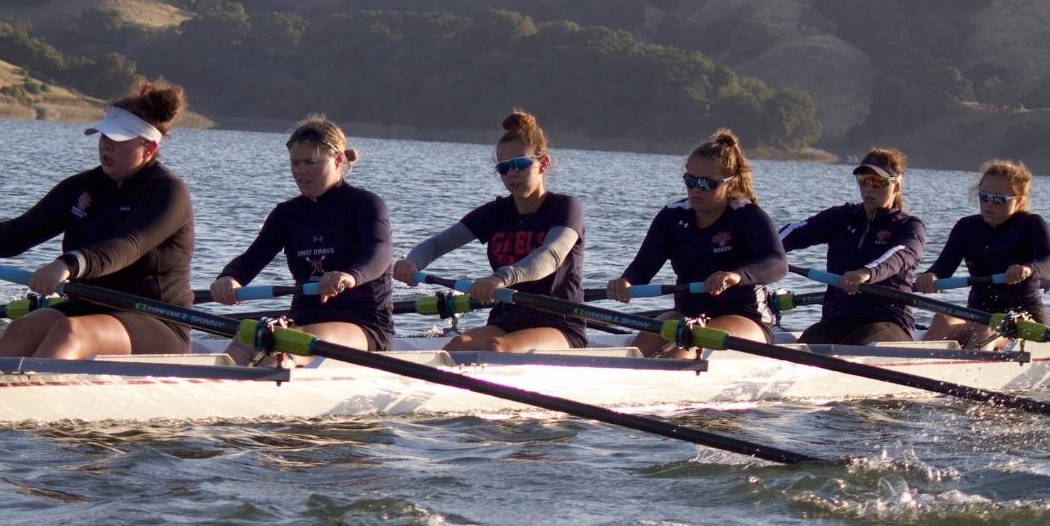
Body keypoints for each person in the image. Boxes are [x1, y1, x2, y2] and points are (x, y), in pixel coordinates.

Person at [0, 80, 194, 358]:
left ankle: (32, 395)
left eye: (117, 140)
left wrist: (67, 264)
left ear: (149, 147)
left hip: (156, 319)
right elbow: (21, 231)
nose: (106, 146)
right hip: (90, 306)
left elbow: (126, 247)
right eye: (104, 137)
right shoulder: (84, 186)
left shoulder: (168, 193)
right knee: (23, 328)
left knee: (71, 333)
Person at [393, 110, 589, 351]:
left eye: (520, 164)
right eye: (503, 168)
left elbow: (551, 256)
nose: (512, 173)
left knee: (497, 348)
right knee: (457, 346)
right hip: (506, 319)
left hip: (559, 323)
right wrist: (412, 261)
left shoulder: (566, 208)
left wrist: (502, 277)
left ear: (543, 163)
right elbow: (437, 244)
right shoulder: (495, 212)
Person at [210, 117, 393, 362]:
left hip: (363, 324)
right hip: (302, 321)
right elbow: (251, 259)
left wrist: (350, 276)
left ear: (338, 160)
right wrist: (228, 278)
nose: (300, 170)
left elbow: (380, 252)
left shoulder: (366, 204)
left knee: (287, 344)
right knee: (248, 337)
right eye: (295, 163)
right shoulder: (286, 214)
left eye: (310, 162)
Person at [609, 129, 787, 358]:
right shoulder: (671, 217)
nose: (695, 188)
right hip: (687, 314)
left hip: (745, 317)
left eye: (707, 184)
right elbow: (643, 266)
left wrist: (736, 276)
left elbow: (777, 263)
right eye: (690, 180)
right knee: (633, 352)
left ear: (730, 185)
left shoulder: (748, 217)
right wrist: (626, 283)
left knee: (680, 355)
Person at [778, 148, 926, 345]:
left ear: (896, 186)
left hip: (887, 320)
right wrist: (764, 251)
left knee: (856, 344)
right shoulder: (840, 217)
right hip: (838, 318)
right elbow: (793, 233)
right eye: (864, 180)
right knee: (804, 347)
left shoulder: (910, 227)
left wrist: (865, 273)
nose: (869, 187)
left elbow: (896, 257)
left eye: (878, 181)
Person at [914, 159, 1050, 349]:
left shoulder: (1031, 224)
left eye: (999, 199)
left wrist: (1028, 269)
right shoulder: (966, 227)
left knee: (986, 330)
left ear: (1019, 200)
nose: (989, 204)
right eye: (984, 196)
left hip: (1024, 316)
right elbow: (943, 267)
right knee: (942, 320)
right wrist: (930, 276)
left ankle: (969, 373)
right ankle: (923, 371)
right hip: (977, 313)